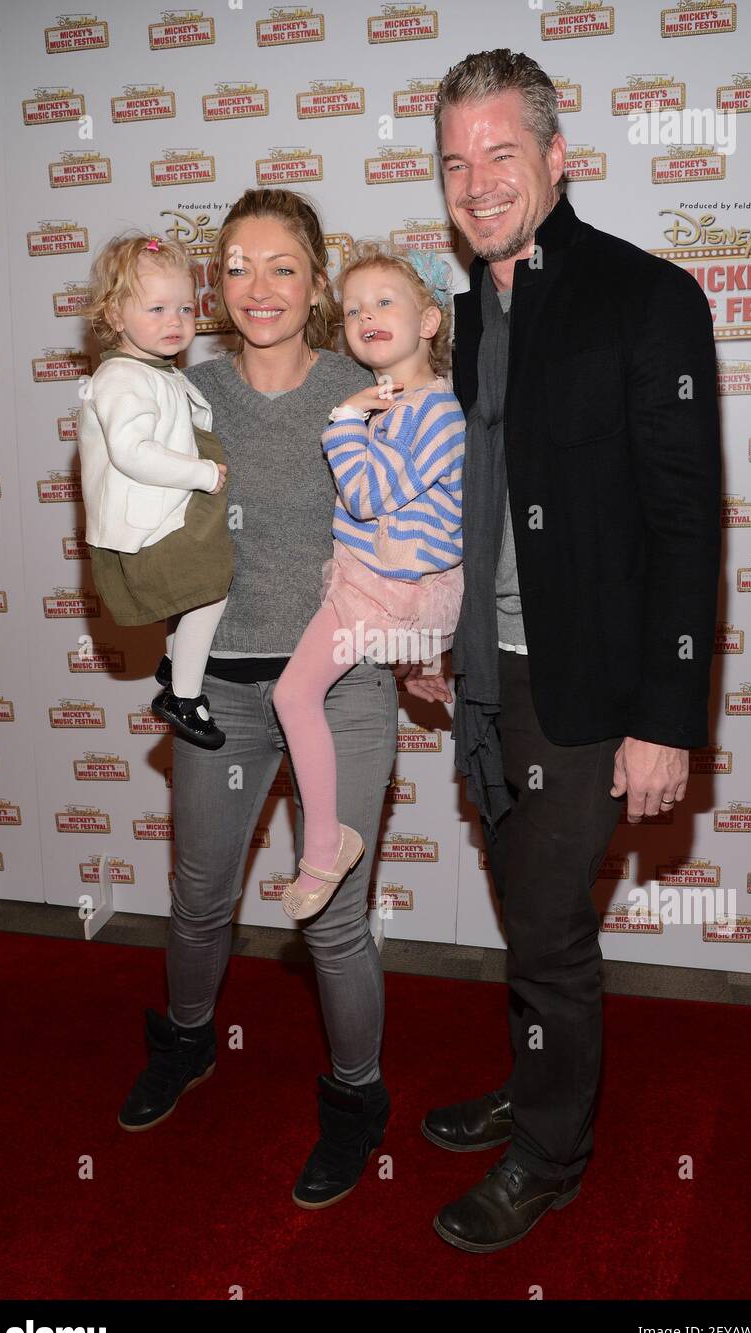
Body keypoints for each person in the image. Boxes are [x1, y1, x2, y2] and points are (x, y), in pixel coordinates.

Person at [403, 49, 722, 1253]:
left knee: (544, 925)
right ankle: (538, 1080)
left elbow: (688, 526)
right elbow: (470, 498)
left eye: (500, 153)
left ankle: (551, 1153)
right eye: (454, 161)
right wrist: (444, 637)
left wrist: (665, 716)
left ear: (555, 155)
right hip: (491, 670)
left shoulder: (649, 297)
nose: (476, 182)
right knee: (529, 917)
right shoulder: (472, 305)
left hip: (588, 688)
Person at [116, 190, 400, 1213]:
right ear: (213, 286)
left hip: (343, 687)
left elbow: (417, 522)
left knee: (331, 918)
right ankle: (187, 1044)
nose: (258, 285)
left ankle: (357, 1099)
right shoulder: (179, 391)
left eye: (282, 265)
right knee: (200, 897)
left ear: (318, 284)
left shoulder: (363, 383)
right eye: (236, 265)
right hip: (223, 688)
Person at [272, 244, 464, 920]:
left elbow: (364, 493)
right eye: (353, 309)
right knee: (297, 697)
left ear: (429, 322)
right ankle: (326, 841)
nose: (365, 316)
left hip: (383, 593)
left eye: (385, 302)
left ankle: (327, 844)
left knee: (294, 695)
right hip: (376, 585)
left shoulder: (433, 411)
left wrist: (343, 420)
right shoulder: (395, 404)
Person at [78, 233, 232, 749]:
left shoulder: (152, 370)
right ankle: (182, 697)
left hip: (164, 513)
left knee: (188, 594)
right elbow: (131, 451)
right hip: (146, 524)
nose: (176, 321)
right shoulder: (122, 377)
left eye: (186, 308)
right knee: (208, 590)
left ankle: (173, 665)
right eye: (158, 308)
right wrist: (202, 474)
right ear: (116, 316)